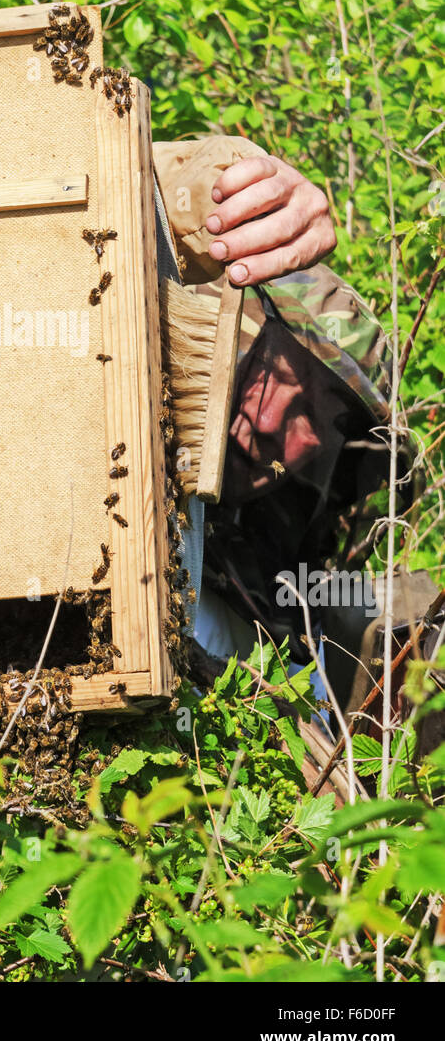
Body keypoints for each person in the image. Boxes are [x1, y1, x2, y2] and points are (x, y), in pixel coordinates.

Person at [153, 144, 409, 718]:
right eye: (267, 375)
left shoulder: (288, 638)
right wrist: (216, 181)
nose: (268, 422)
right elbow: (124, 194)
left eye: (306, 421)